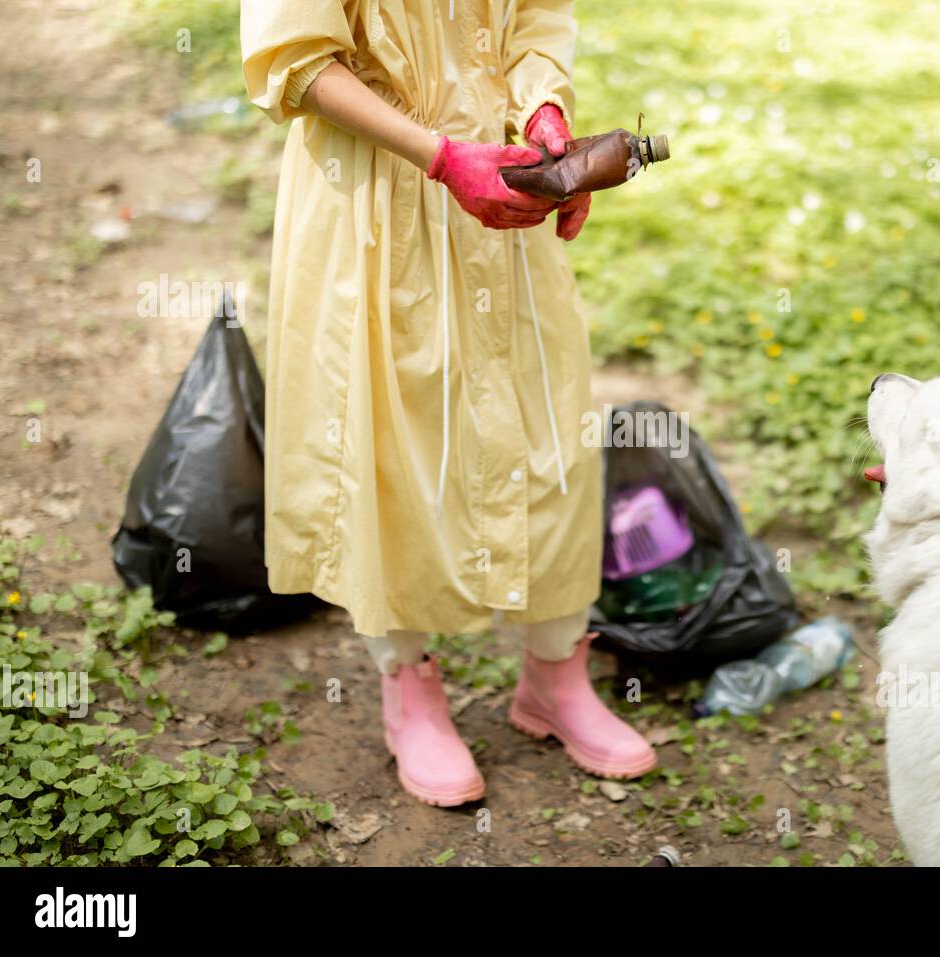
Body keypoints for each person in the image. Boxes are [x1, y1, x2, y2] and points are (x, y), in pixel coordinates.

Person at [240, 0, 656, 807]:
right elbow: (296, 59)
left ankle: (555, 673)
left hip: (504, 185)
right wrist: (439, 157)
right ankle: (410, 689)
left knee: (548, 427)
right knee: (396, 441)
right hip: (377, 192)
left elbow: (536, 15)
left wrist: (546, 115)